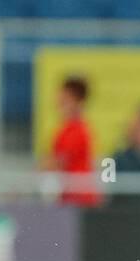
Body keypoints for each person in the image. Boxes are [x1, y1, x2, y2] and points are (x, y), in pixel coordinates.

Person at [41, 76, 100, 207]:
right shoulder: (66, 129)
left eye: (65, 98)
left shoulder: (77, 131)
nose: (58, 101)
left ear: (76, 101)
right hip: (70, 196)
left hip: (79, 198)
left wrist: (23, 183)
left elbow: (56, 162)